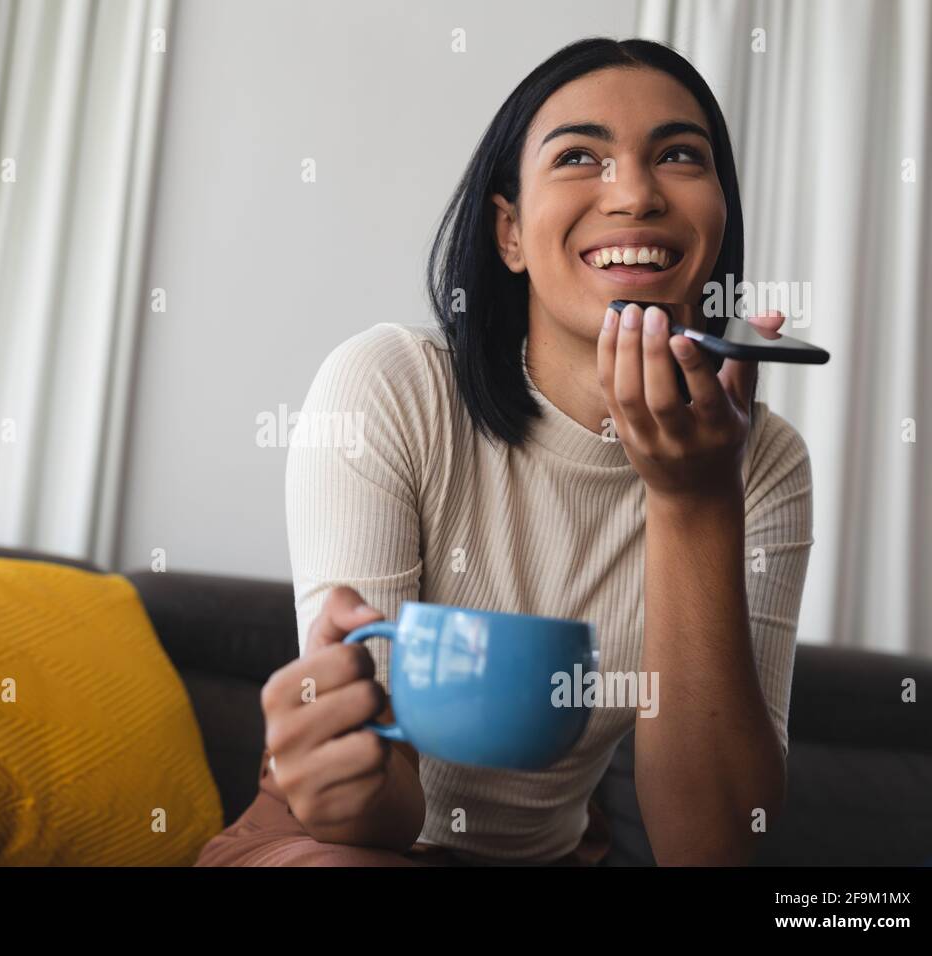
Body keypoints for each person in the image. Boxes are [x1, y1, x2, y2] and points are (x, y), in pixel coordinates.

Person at [196, 37, 812, 867]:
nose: (633, 193)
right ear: (511, 232)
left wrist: (695, 499)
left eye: (677, 155)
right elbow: (381, 799)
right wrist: (339, 765)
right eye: (579, 156)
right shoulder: (390, 390)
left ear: (718, 218)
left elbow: (716, 849)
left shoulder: (762, 463)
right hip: (332, 842)